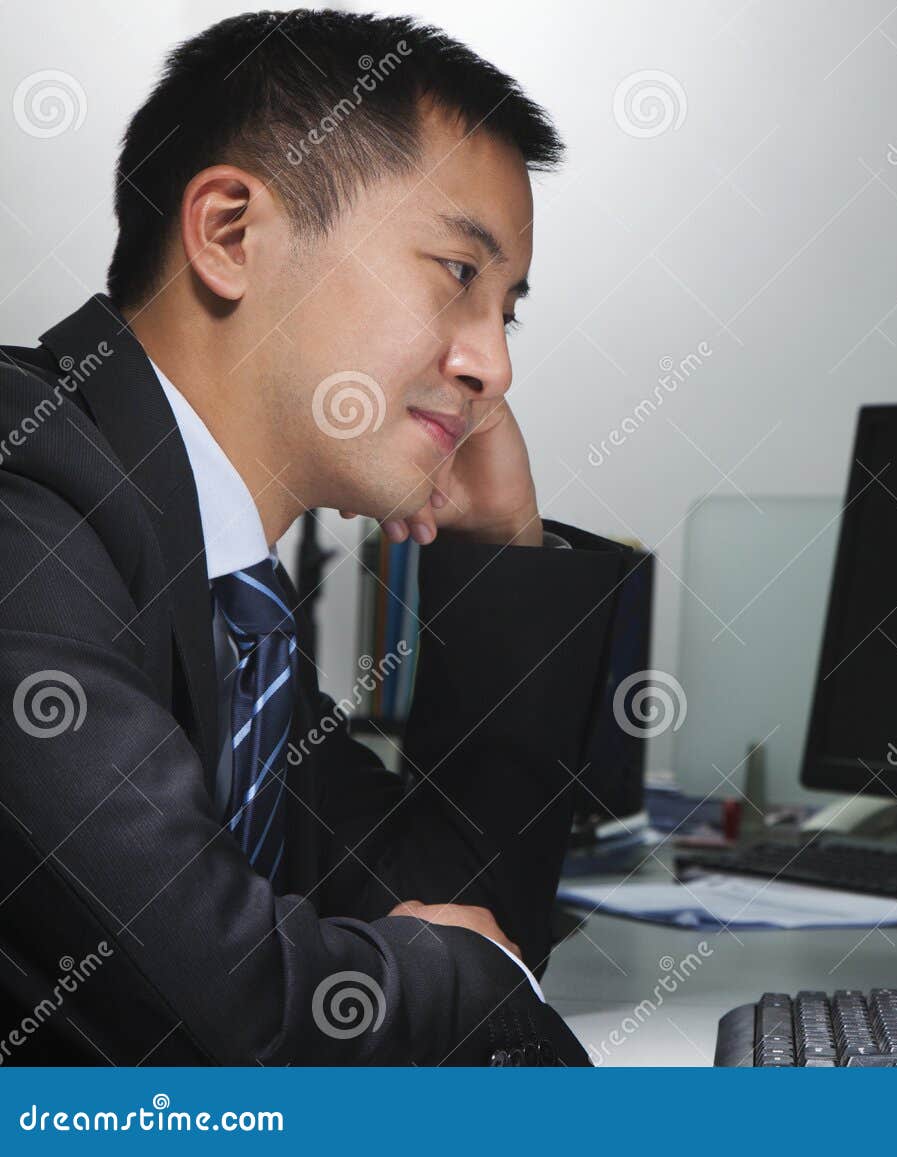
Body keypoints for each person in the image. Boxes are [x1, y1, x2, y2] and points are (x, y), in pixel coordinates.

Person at [0, 9, 631, 1065]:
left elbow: (458, 909)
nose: (495, 367)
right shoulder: (26, 496)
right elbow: (225, 1016)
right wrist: (461, 977)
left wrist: (505, 552)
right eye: (457, 273)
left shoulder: (234, 604)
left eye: (508, 310)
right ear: (231, 234)